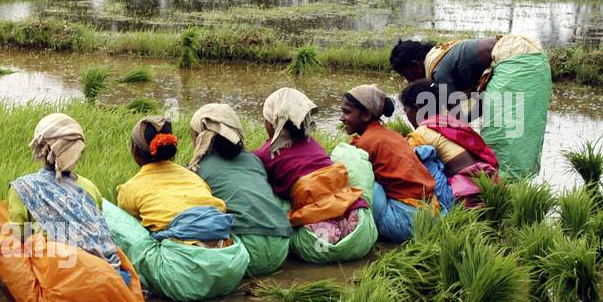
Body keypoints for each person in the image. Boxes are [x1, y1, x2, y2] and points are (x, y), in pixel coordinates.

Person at [389, 34, 551, 181]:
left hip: (514, 62)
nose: (409, 82)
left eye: (406, 76)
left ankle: (504, 189)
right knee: (521, 130)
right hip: (534, 59)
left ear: (415, 65)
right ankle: (513, 186)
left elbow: (456, 122)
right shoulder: (442, 56)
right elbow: (468, 114)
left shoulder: (439, 71)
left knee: (502, 135)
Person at [4, 112, 129, 282]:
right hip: (106, 273)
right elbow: (99, 231)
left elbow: (19, 239)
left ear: (40, 149)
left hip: (62, 276)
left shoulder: (23, 188)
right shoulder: (89, 187)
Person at [254, 89, 368, 251]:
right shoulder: (313, 144)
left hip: (320, 242)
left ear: (273, 123)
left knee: (276, 199)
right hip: (357, 228)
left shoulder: (266, 153)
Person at [187, 103, 291, 276]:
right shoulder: (254, 160)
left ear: (200, 137)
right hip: (281, 248)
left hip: (245, 252)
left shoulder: (197, 169)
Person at [341, 85, 437, 243]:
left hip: (405, 223)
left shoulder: (366, 142)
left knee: (367, 183)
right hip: (432, 214)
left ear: (366, 115)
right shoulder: (392, 134)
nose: (341, 117)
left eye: (347, 112)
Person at [117, 115, 232, 246]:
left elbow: (128, 226)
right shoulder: (194, 177)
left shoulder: (129, 188)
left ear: (135, 151)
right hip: (224, 251)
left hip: (179, 257)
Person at [399, 79, 499, 206]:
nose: (406, 115)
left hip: (469, 193)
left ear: (417, 108)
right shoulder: (449, 121)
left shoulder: (422, 132)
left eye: (406, 110)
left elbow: (404, 162)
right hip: (489, 181)